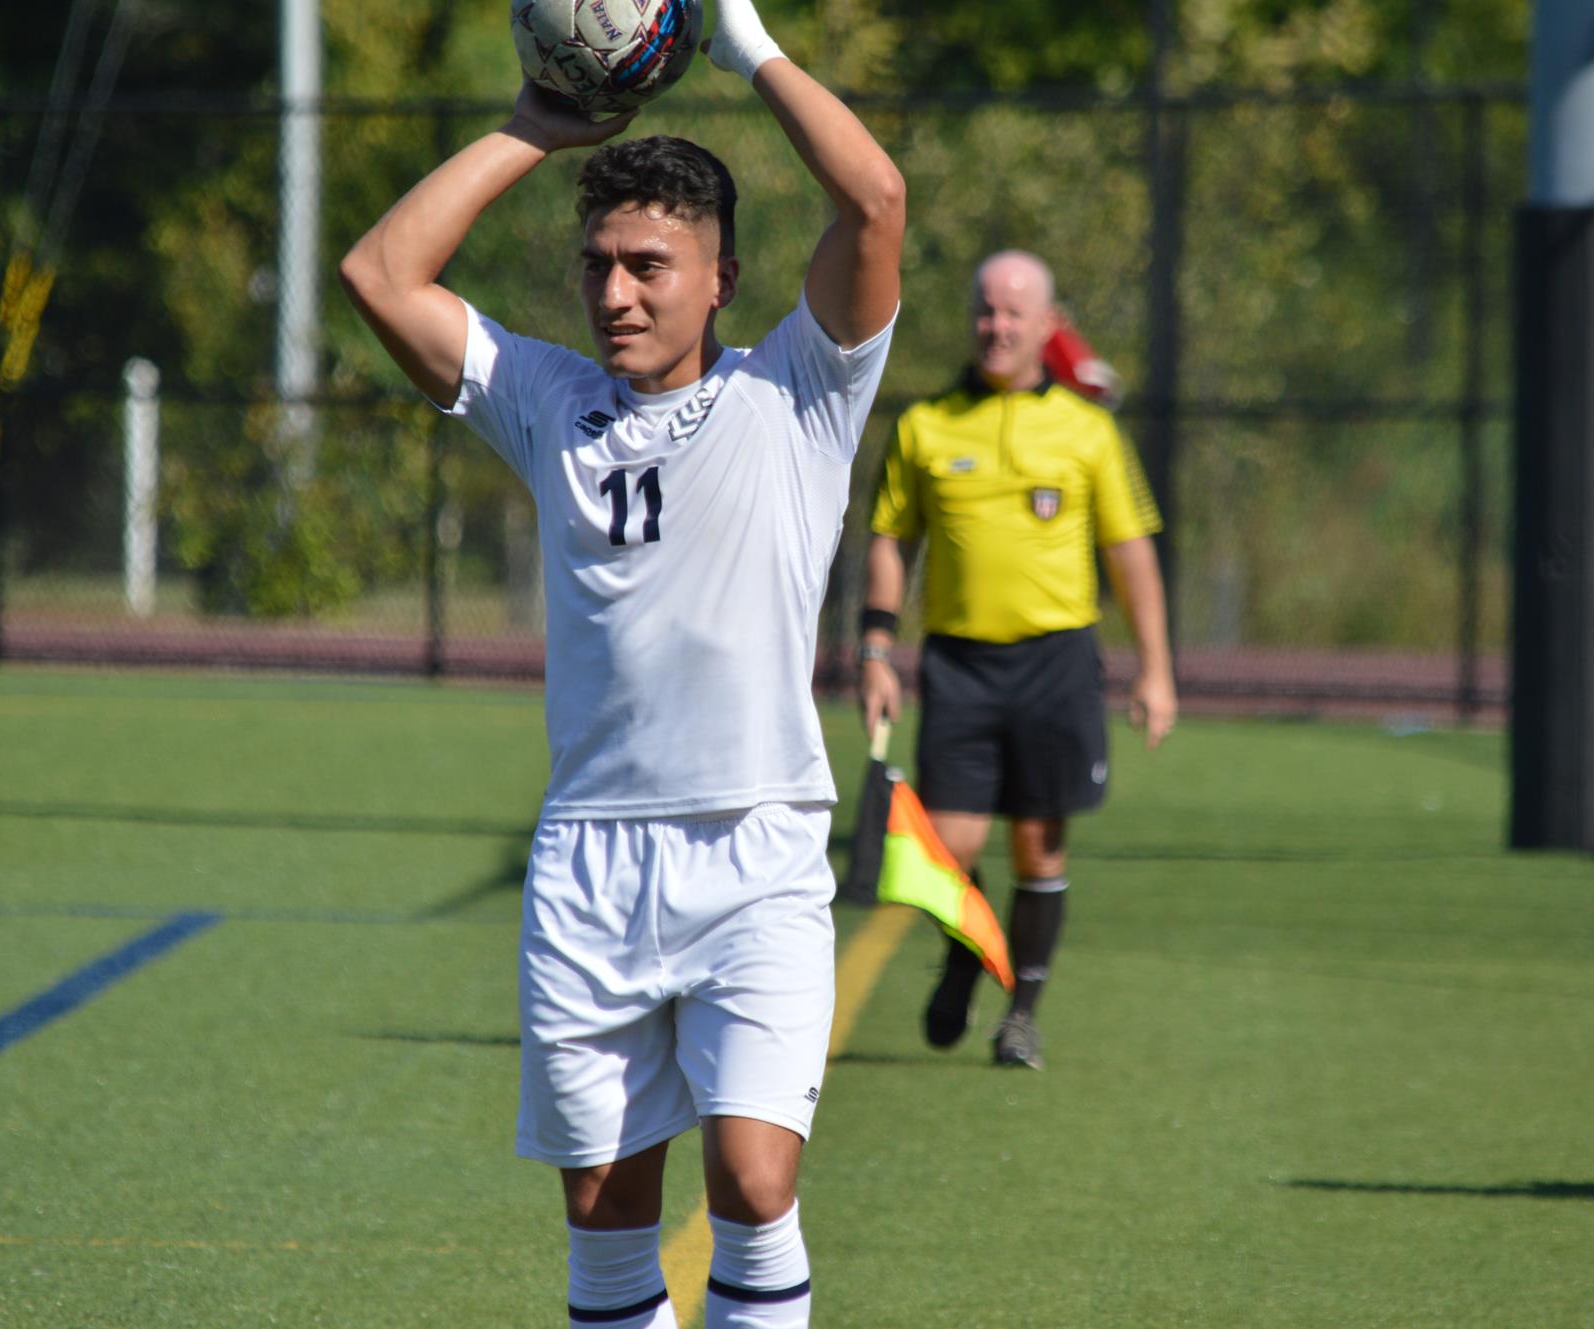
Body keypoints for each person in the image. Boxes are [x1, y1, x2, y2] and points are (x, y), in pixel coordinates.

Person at [337, 2, 904, 1323]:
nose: (616, 291)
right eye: (598, 264)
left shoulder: (799, 397)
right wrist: (536, 125)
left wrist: (744, 40)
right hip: (591, 860)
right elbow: (380, 275)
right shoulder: (550, 400)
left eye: (650, 264)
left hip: (756, 847)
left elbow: (873, 198)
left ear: (720, 280)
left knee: (756, 1181)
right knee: (605, 1215)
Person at [857, 250, 1175, 1071]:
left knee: (1039, 848)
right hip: (960, 666)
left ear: (1047, 325)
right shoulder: (926, 424)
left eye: (1013, 312)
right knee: (949, 850)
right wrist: (877, 647)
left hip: (1057, 664)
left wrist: (1155, 667)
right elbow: (892, 537)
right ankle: (968, 951)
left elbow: (1132, 551)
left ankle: (1022, 1014)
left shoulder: (1087, 430)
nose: (996, 326)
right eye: (984, 311)